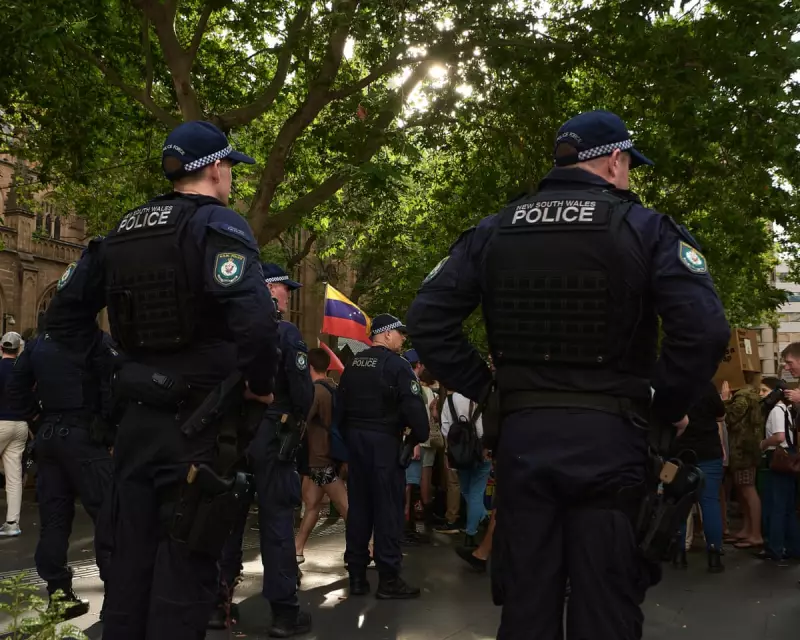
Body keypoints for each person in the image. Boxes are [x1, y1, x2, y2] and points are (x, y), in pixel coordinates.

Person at [407, 109, 730, 640]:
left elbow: (428, 319)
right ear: (614, 161)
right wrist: (663, 405)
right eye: (629, 166)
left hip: (524, 441)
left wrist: (490, 390)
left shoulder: (496, 228)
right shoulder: (646, 228)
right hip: (614, 440)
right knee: (606, 603)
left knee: (527, 602)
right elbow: (705, 330)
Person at [43, 120, 279, 640]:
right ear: (216, 168)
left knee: (129, 572)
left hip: (135, 425)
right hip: (198, 427)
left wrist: (118, 371)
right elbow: (259, 325)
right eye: (230, 168)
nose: (233, 178)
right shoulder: (219, 225)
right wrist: (259, 386)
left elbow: (62, 317)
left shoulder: (121, 232)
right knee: (185, 573)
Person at [213, 263, 313, 637]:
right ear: (271, 290)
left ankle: (218, 602)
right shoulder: (285, 333)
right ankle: (284, 612)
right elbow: (302, 394)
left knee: (228, 522)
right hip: (273, 438)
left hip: (235, 437)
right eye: (286, 288)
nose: (289, 295)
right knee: (275, 525)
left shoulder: (230, 334)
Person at [7, 328, 117, 619]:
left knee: (54, 521)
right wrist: (108, 429)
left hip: (50, 436)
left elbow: (16, 386)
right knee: (109, 517)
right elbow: (113, 384)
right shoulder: (96, 339)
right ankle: (116, 600)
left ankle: (58, 594)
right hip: (85, 438)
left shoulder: (38, 343)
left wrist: (38, 417)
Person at [339, 314, 429, 599]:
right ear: (387, 334)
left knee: (359, 510)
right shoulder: (397, 366)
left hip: (356, 442)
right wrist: (417, 435)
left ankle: (356, 576)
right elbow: (416, 413)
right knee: (388, 510)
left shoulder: (352, 365)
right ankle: (389, 579)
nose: (403, 339)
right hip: (384, 444)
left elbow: (339, 410)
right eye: (400, 334)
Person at [295, 347, 349, 563]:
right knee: (312, 506)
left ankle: (367, 546)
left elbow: (303, 421)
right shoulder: (333, 388)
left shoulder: (315, 392)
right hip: (328, 456)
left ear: (309, 367)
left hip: (319, 459)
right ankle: (297, 549)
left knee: (345, 506)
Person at [671, 380, 726, 572]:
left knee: (678, 502)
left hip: (679, 453)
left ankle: (678, 553)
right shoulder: (707, 386)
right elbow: (721, 414)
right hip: (708, 450)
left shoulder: (671, 386)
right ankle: (714, 554)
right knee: (710, 502)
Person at [756, 376, 800, 564]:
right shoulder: (789, 410)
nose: (761, 395)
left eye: (764, 391)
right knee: (789, 506)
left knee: (776, 506)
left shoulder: (776, 410)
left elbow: (779, 436)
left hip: (778, 457)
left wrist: (763, 443)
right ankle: (793, 547)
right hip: (790, 457)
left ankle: (775, 548)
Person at [441, 390, 492, 549]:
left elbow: (445, 428)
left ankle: (481, 517)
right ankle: (471, 533)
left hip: (459, 454)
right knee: (476, 492)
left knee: (466, 490)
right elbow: (483, 428)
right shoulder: (480, 398)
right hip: (480, 453)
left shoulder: (449, 400)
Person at [721, 375, 764, 549]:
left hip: (743, 450)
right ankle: (748, 530)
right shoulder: (751, 394)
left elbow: (729, 418)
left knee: (748, 490)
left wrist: (725, 400)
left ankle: (755, 534)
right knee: (742, 491)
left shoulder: (743, 396)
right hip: (744, 450)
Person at [0, 332, 28, 537]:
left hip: (1, 422)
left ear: (1, 348)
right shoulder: (24, 371)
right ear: (19, 349)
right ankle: (12, 523)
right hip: (21, 424)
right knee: (14, 475)